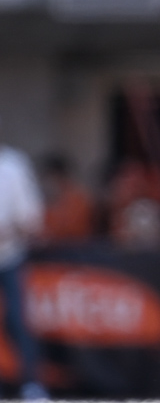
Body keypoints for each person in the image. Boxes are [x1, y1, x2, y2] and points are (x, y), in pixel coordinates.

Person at [0, 117, 47, 400]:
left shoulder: (12, 165)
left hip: (10, 255)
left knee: (17, 321)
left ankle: (32, 384)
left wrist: (7, 232)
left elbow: (31, 220)